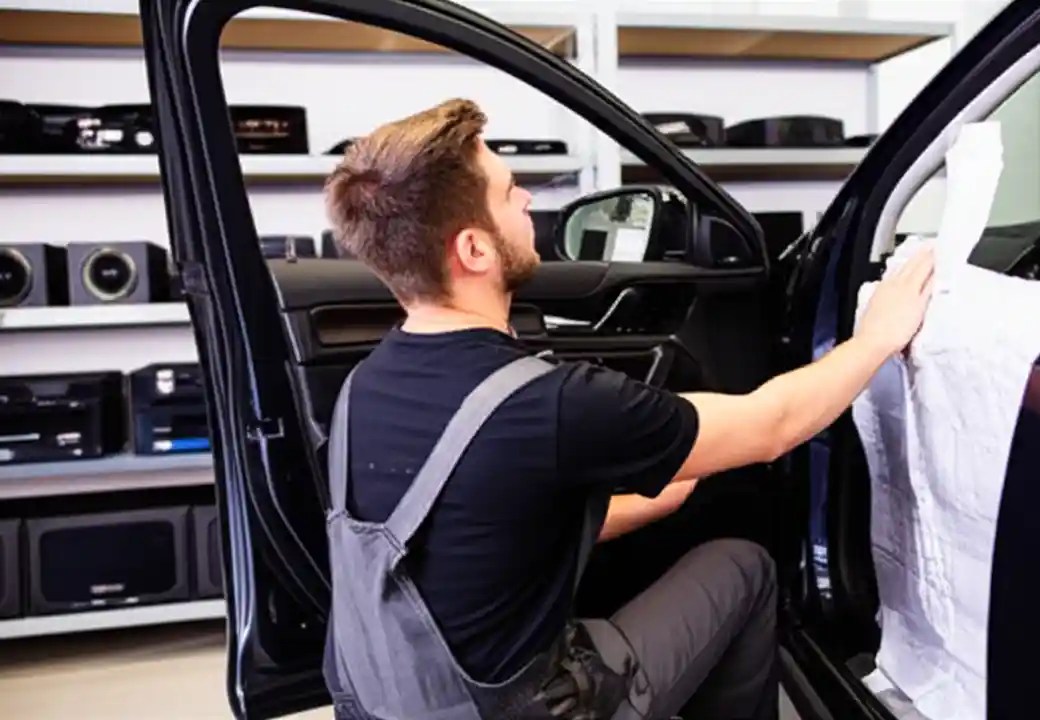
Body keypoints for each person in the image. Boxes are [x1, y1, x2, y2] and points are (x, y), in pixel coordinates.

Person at [319, 98, 934, 720]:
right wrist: (878, 337)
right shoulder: (546, 402)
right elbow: (772, 426)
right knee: (743, 568)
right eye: (509, 193)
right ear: (474, 250)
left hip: (390, 700)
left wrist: (674, 478)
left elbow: (487, 527)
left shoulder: (363, 386)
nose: (528, 199)